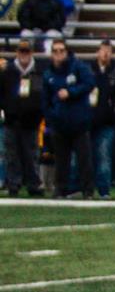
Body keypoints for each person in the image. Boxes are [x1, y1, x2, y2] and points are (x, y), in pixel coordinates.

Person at [40, 37, 91, 197]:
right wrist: (51, 117)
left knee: (84, 159)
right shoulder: (48, 74)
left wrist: (71, 92)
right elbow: (45, 100)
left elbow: (89, 83)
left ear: (66, 52)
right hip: (59, 124)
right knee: (61, 160)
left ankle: (87, 190)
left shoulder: (78, 67)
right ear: (51, 54)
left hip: (78, 122)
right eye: (55, 51)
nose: (59, 54)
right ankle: (60, 189)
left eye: (61, 50)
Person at [87, 38, 115, 199]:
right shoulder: (88, 71)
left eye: (108, 50)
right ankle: (79, 187)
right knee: (81, 156)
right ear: (97, 52)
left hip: (107, 122)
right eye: (103, 49)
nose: (105, 53)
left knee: (103, 155)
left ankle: (103, 189)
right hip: (88, 120)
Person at [0, 39, 38, 196]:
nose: (24, 54)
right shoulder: (7, 72)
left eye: (26, 51)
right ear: (17, 52)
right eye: (21, 51)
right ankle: (13, 183)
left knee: (31, 154)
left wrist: (38, 115)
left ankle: (33, 183)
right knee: (12, 154)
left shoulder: (36, 72)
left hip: (31, 121)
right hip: (11, 119)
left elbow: (40, 96)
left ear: (31, 53)